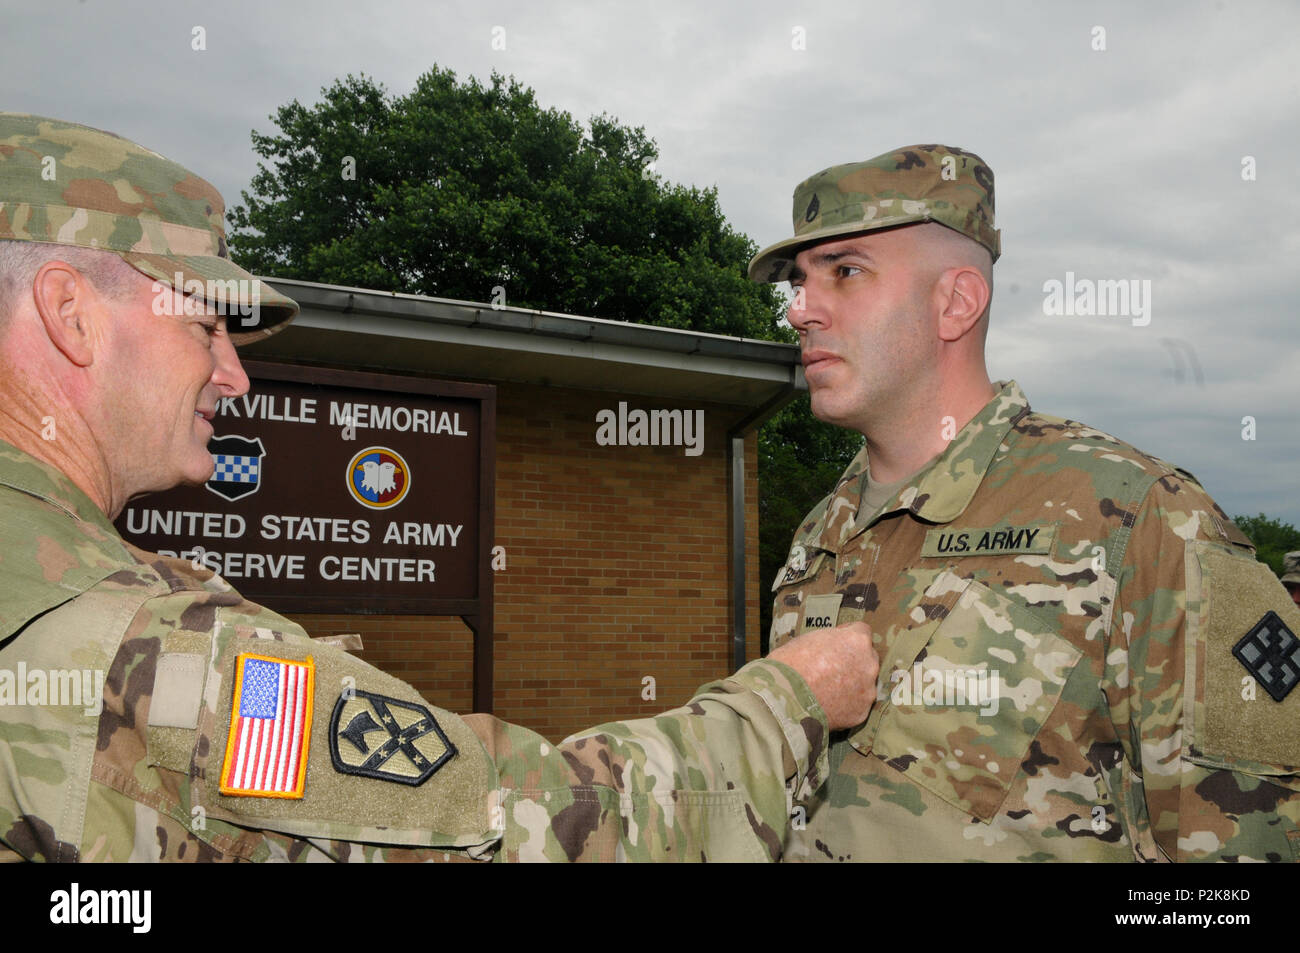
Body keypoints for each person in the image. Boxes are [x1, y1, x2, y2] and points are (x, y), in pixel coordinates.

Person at [0, 112, 879, 862]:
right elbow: (529, 826)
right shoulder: (154, 649)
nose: (235, 374)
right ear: (69, 312)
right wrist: (788, 698)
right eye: (204, 324)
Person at [750, 144, 1300, 862]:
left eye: (844, 272)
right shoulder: (817, 539)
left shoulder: (1144, 521)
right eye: (798, 280)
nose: (800, 309)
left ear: (956, 301)